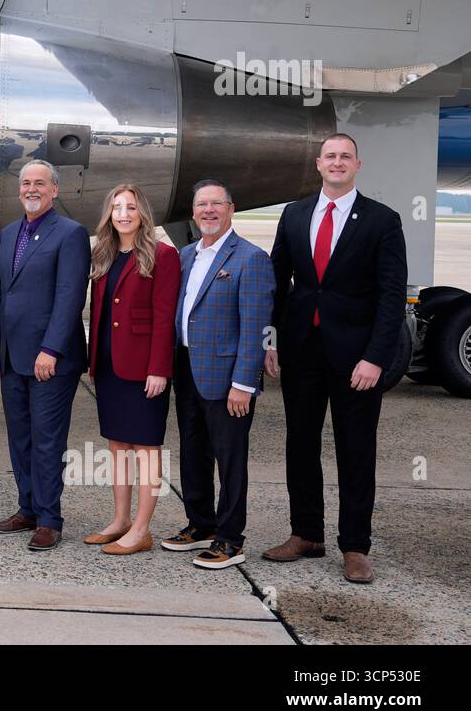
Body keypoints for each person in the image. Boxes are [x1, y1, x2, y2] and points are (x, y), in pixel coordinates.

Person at [263, 134, 406, 584]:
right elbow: (277, 281)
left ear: (357, 165)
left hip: (356, 358)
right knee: (300, 444)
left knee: (355, 450)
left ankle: (355, 546)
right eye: (331, 156)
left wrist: (376, 358)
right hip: (302, 349)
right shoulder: (295, 213)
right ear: (318, 163)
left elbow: (391, 297)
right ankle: (306, 533)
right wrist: (271, 340)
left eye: (346, 156)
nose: (337, 162)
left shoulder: (382, 220)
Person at [162, 180, 273, 570]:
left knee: (229, 459)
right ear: (193, 212)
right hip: (188, 369)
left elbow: (257, 326)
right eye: (201, 205)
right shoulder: (186, 255)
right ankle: (200, 524)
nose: (208, 210)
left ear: (231, 209)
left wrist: (244, 383)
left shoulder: (250, 258)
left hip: (228, 379)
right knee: (193, 452)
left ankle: (230, 539)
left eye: (216, 204)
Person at [0, 159, 90, 551]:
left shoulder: (71, 234)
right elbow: (1, 293)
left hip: (50, 360)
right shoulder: (10, 233)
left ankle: (50, 519)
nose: (32, 189)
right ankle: (27, 507)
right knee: (20, 438)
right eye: (26, 183)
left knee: (47, 440)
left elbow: (69, 297)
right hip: (11, 356)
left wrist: (52, 349)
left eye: (40, 183)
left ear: (55, 190)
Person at [84, 184, 181, 555]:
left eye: (131, 207)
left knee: (145, 449)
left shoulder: (163, 255)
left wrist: (159, 369)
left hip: (144, 370)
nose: (123, 214)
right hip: (109, 365)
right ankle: (121, 520)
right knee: (118, 446)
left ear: (143, 213)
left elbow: (163, 317)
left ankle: (142, 530)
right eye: (117, 207)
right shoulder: (105, 254)